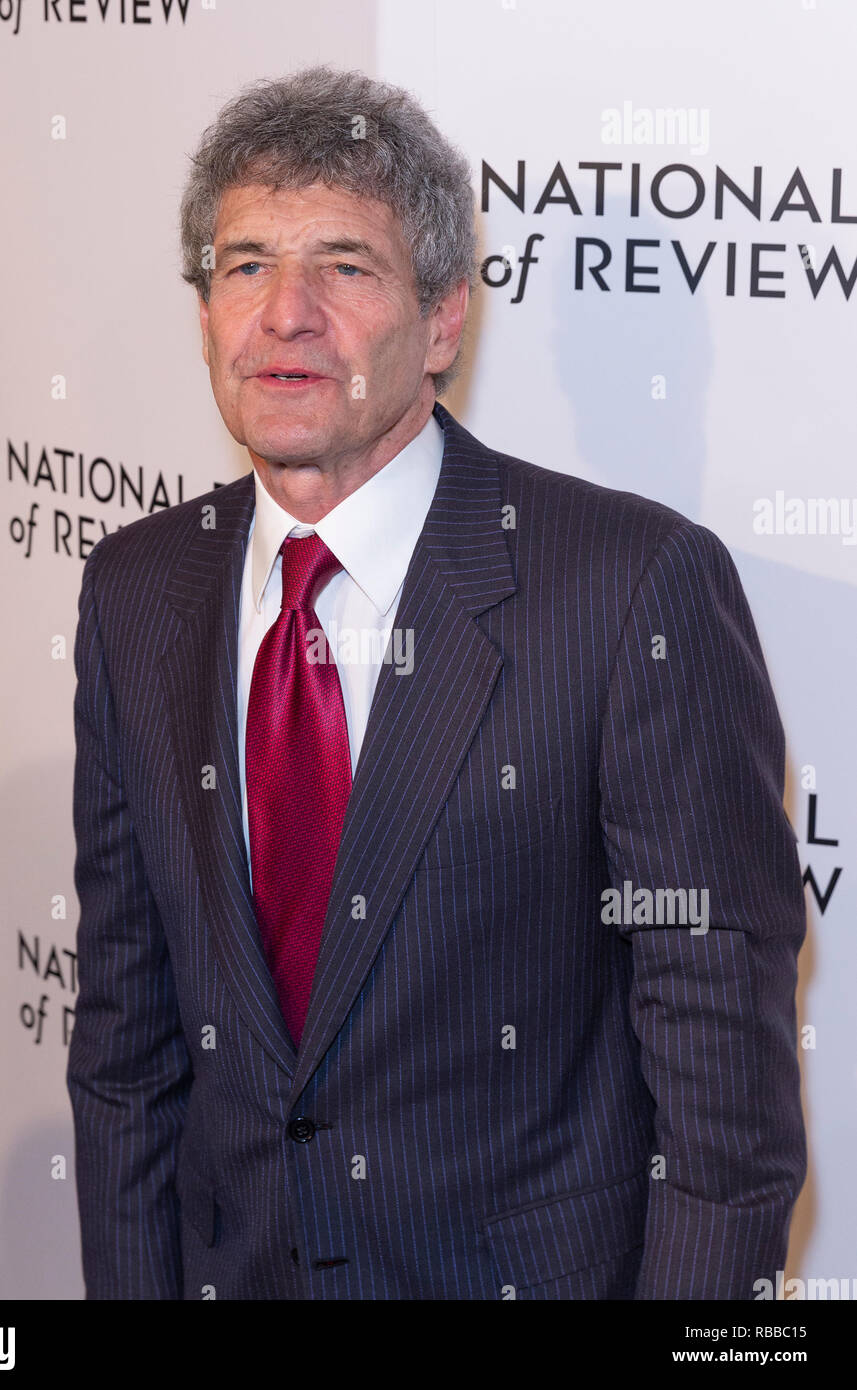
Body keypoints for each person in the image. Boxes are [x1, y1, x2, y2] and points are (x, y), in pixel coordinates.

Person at [66, 64, 806, 1300]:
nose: (286, 312)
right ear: (204, 314)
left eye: (345, 266)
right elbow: (126, 1052)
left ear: (446, 318)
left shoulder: (632, 591)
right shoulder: (137, 590)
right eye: (245, 265)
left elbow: (723, 1118)